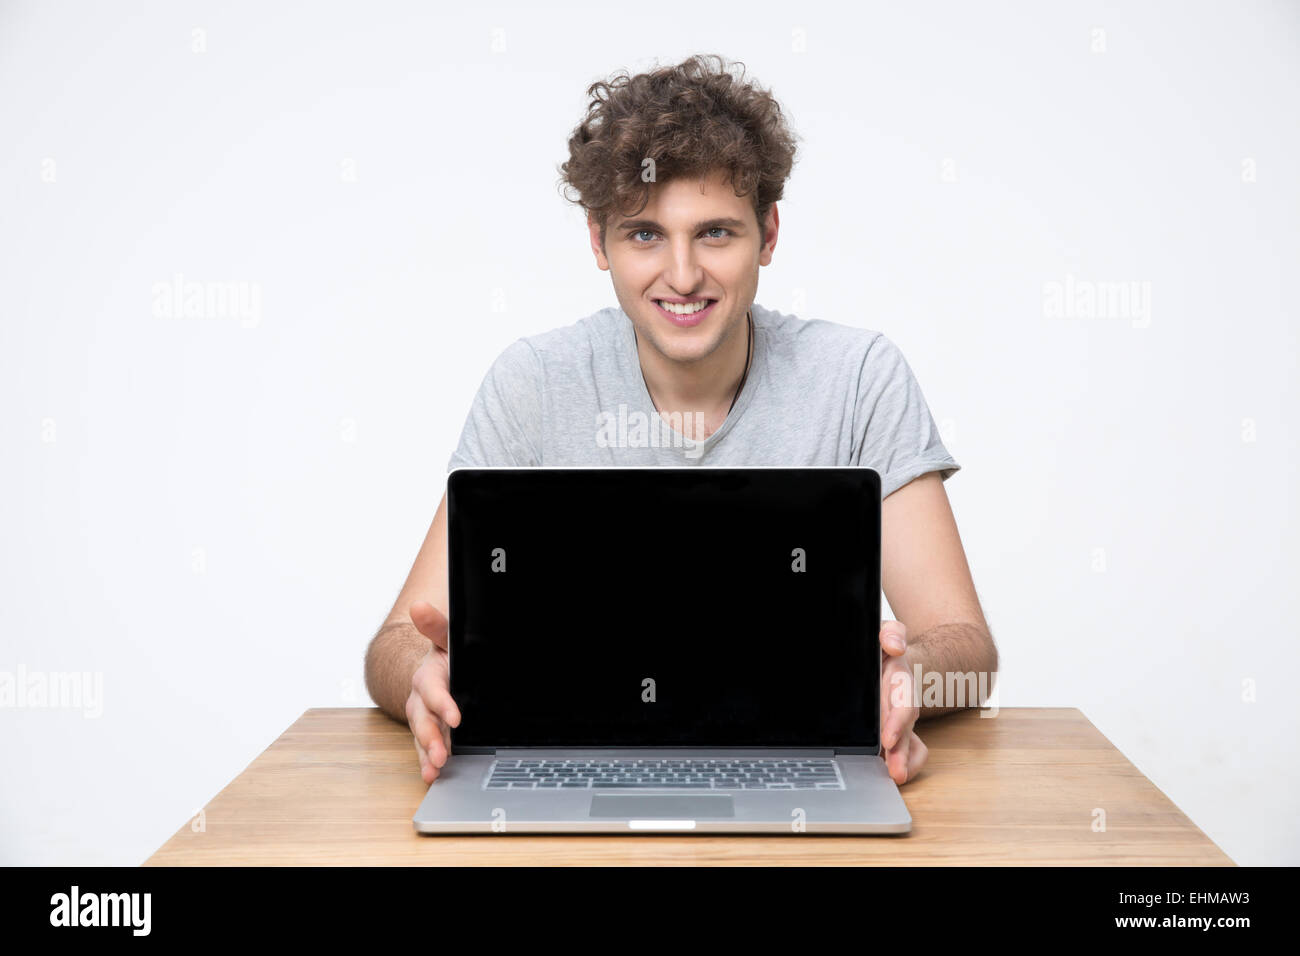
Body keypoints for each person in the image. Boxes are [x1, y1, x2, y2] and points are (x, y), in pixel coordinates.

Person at [364, 53, 997, 790]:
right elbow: (394, 645)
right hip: (573, 766)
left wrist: (905, 677)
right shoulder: (534, 382)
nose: (684, 275)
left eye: (717, 234)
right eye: (644, 236)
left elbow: (966, 648)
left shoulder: (857, 379)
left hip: (795, 766)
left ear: (769, 233)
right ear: (598, 243)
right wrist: (424, 673)